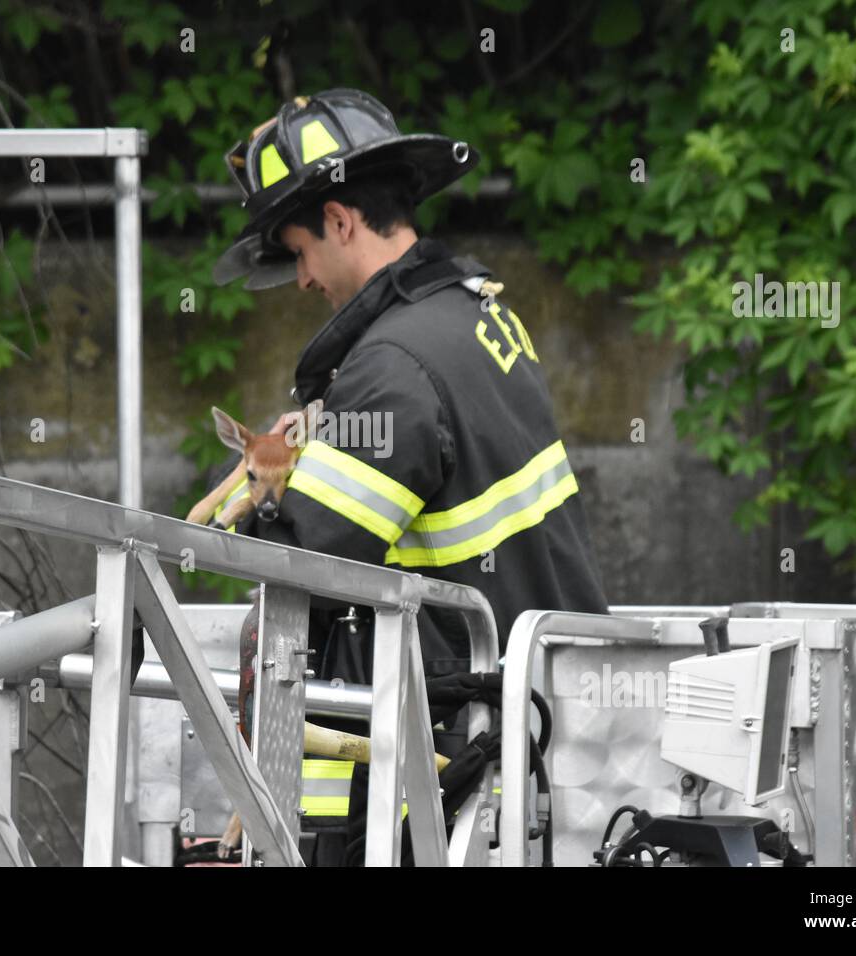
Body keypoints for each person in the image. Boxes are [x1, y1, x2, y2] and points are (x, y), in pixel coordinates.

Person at [208, 88, 608, 862]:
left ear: (338, 221)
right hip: (537, 726)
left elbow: (310, 564)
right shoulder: (475, 315)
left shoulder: (392, 365)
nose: (300, 281)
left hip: (455, 764)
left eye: (297, 253)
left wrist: (259, 501)